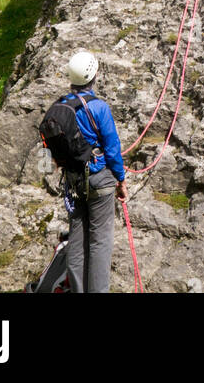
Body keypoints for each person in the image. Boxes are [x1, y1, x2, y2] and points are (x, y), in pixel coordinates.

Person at [58, 50, 126, 294]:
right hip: (99, 180)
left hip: (72, 182)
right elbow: (112, 148)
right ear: (94, 75)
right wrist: (121, 179)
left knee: (77, 240)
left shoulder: (62, 106)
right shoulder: (98, 108)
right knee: (100, 241)